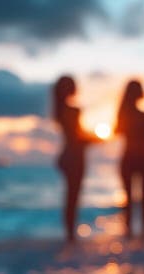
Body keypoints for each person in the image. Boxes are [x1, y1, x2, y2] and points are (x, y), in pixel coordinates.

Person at [52, 75, 98, 243]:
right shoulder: (70, 110)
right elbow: (77, 136)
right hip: (74, 157)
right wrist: (97, 139)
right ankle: (71, 235)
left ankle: (70, 233)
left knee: (71, 196)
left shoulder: (60, 110)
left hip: (69, 156)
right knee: (73, 196)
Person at [115, 80, 144, 238]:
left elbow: (116, 131)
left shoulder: (124, 114)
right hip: (141, 158)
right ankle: (142, 231)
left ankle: (130, 231)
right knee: (142, 197)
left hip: (130, 158)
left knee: (130, 198)